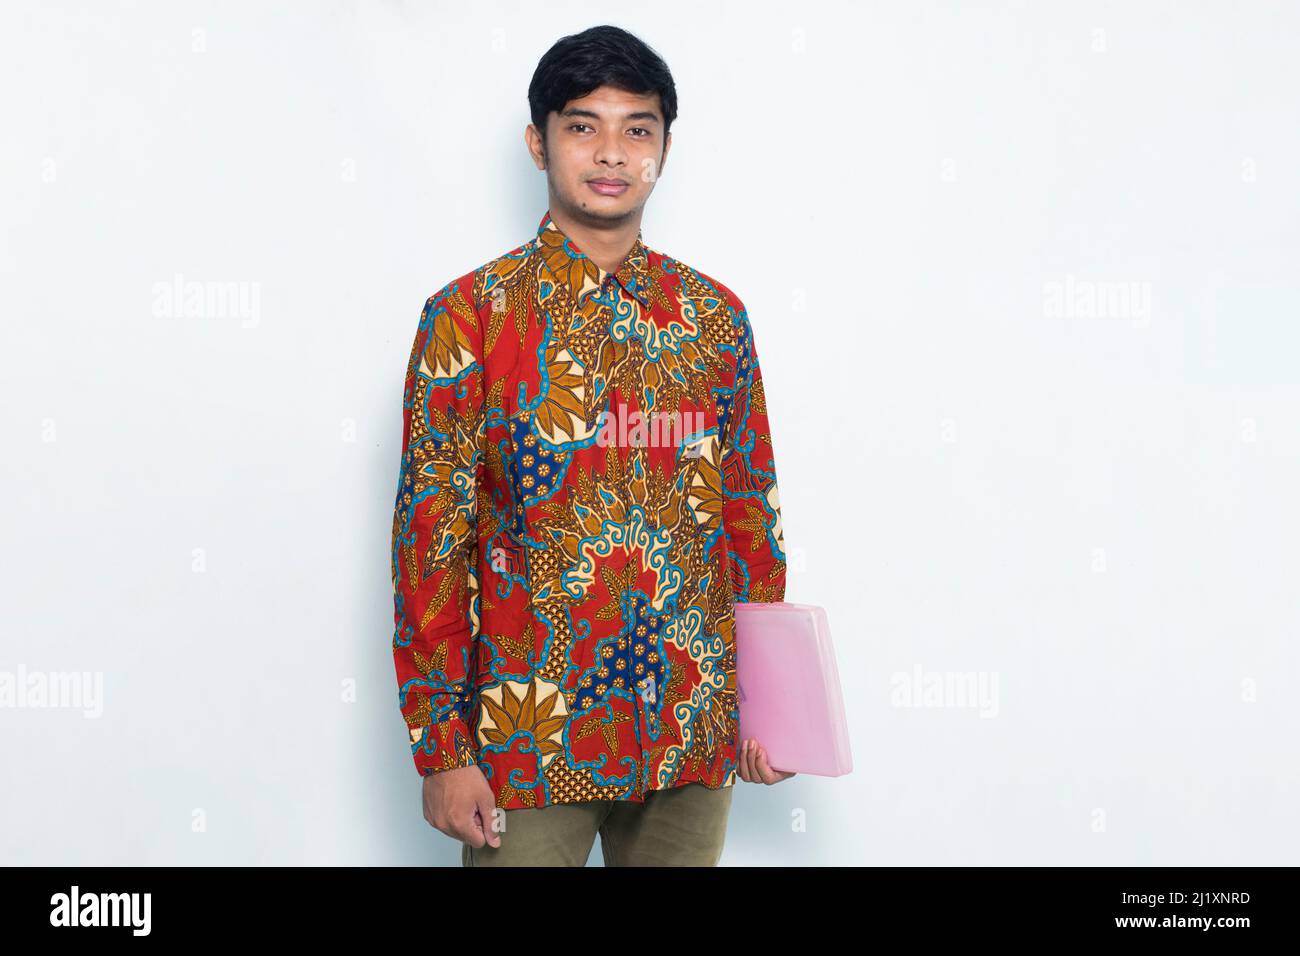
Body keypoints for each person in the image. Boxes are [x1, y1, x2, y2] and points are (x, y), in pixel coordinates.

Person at [390, 24, 792, 867]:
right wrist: (442, 747)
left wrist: (777, 706)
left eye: (637, 129)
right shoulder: (470, 316)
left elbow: (751, 521)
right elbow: (431, 541)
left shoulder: (715, 320)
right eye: (583, 125)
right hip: (526, 736)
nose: (612, 152)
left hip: (690, 725)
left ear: (664, 149)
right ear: (539, 141)